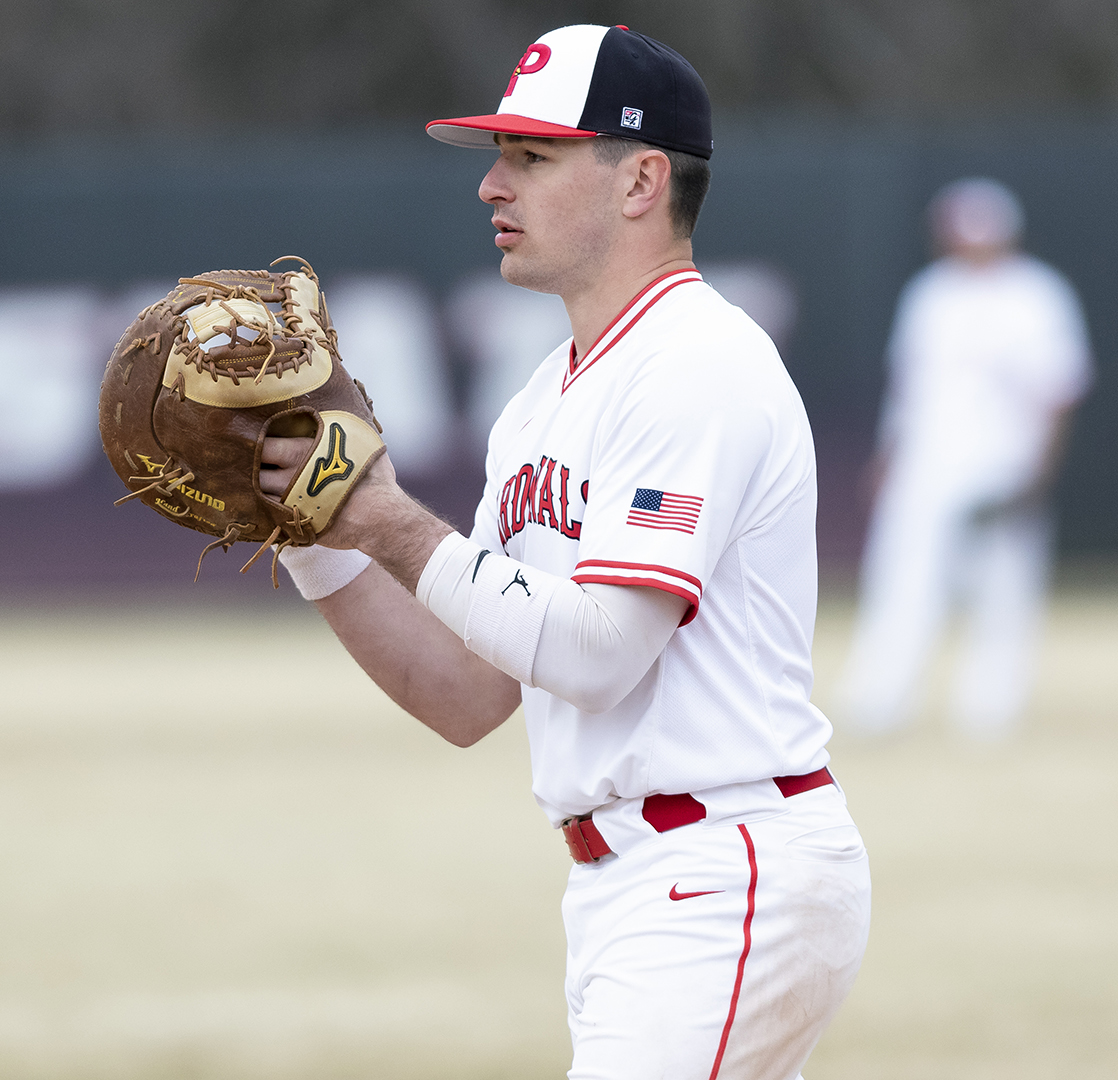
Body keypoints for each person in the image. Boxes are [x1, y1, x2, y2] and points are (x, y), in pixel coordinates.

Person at [264, 24, 871, 1080]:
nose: (493, 186)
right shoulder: (547, 398)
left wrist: (389, 520)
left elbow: (597, 656)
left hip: (720, 866)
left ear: (641, 179)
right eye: (501, 156)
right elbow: (467, 694)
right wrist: (320, 538)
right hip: (632, 884)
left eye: (532, 158)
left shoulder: (697, 362)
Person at [839, 178, 1093, 740]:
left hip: (1000, 464)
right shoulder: (931, 294)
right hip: (927, 462)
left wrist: (1037, 472)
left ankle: (989, 710)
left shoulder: (1035, 295)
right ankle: (880, 699)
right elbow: (907, 389)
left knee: (1002, 588)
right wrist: (887, 457)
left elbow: (1057, 392)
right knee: (903, 579)